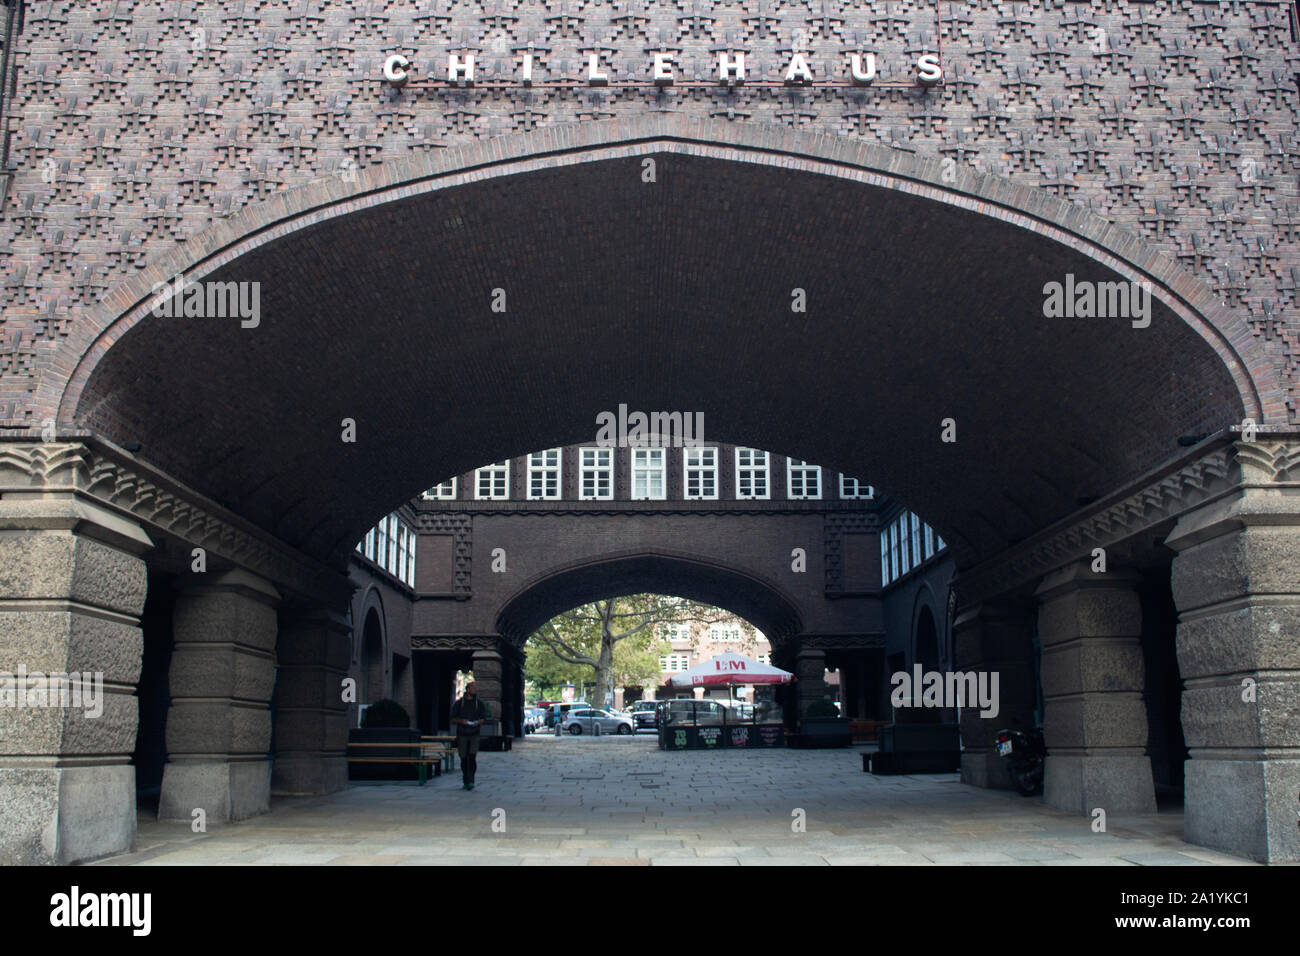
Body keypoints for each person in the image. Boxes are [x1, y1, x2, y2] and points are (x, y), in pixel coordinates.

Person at [450, 681, 491, 790]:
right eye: (473, 688)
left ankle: (471, 780)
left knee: (472, 757)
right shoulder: (459, 704)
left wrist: (478, 722)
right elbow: (453, 718)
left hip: (474, 733)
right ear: (467, 689)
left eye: (475, 688)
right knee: (463, 757)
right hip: (462, 734)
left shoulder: (479, 704)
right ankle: (465, 779)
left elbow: (484, 718)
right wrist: (462, 721)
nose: (475, 690)